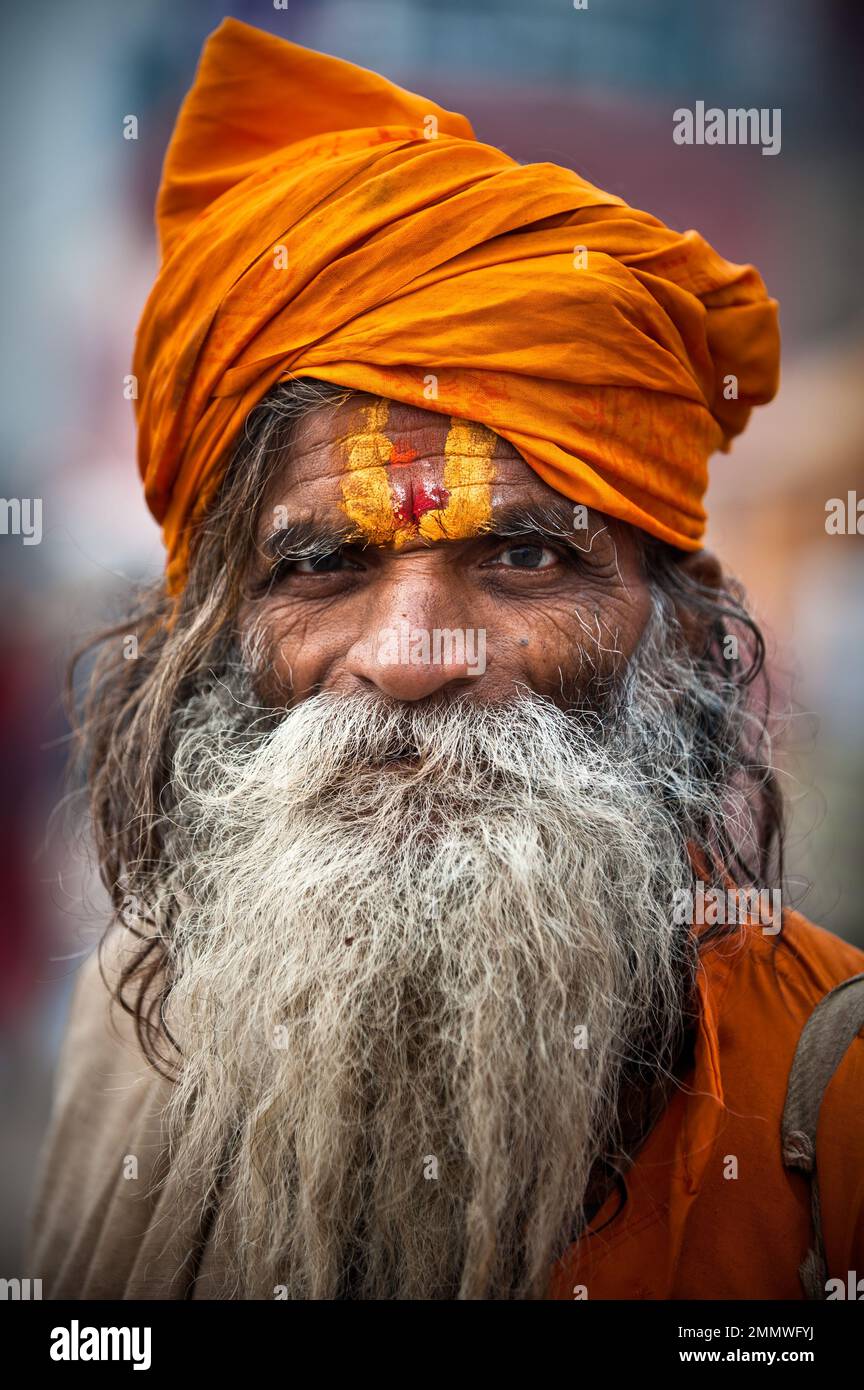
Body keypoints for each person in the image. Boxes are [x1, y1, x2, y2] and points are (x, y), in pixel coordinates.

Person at [27, 18, 864, 1301]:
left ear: (680, 632)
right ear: (209, 640)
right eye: (322, 566)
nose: (416, 654)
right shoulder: (130, 1023)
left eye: (525, 559)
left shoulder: (834, 1093)